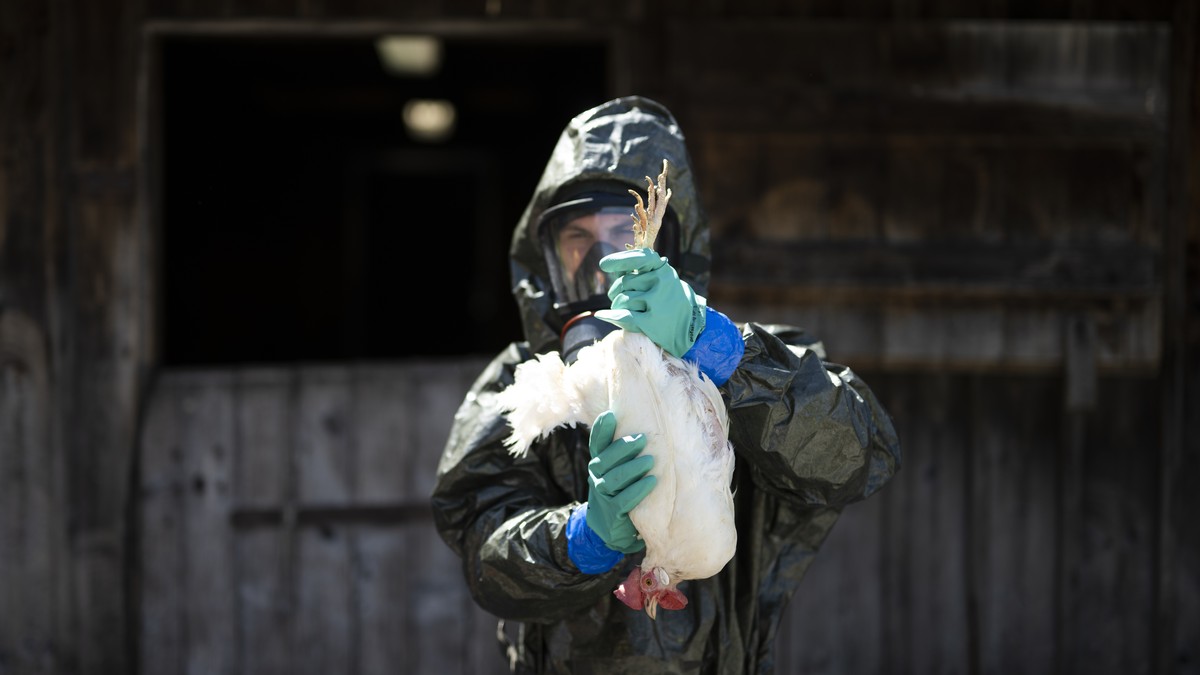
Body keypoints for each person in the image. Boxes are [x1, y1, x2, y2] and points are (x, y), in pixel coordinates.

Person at [431, 95, 902, 674]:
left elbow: (858, 456)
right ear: (546, 259)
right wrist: (583, 538)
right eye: (577, 238)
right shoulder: (522, 384)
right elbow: (487, 557)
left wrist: (722, 353)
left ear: (670, 244)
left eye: (622, 232)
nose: (600, 260)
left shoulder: (744, 358)